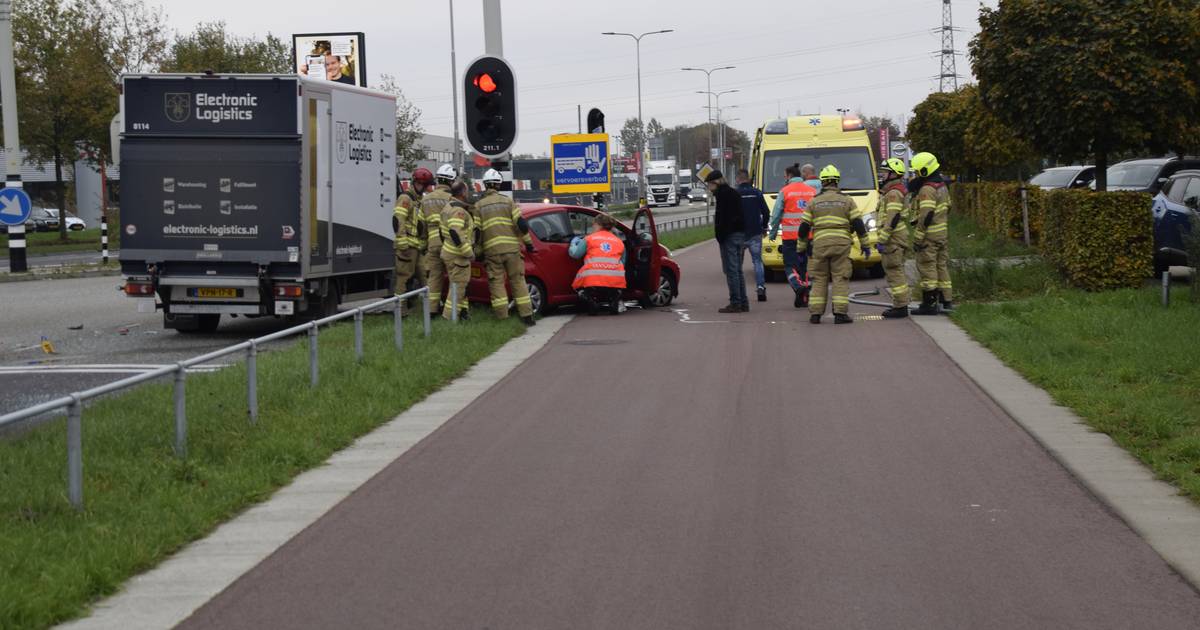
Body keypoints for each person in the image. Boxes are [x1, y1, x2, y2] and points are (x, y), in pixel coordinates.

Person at [802, 165, 869, 324]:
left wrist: (801, 247)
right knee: (840, 278)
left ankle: (815, 315)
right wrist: (865, 244)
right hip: (841, 245)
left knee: (819, 278)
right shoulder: (847, 200)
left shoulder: (814, 201)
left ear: (822, 182)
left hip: (820, 244)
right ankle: (840, 315)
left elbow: (804, 227)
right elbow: (858, 224)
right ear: (837, 181)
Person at [476, 169, 537, 325]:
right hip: (512, 250)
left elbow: (477, 232)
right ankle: (527, 317)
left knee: (496, 283)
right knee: (517, 281)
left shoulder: (478, 206)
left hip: (492, 252)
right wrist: (529, 244)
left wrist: (478, 252)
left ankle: (502, 318)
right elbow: (521, 225)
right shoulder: (508, 202)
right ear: (499, 184)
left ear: (485, 185)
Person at [768, 164, 819, 308]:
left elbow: (777, 214)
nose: (784, 179)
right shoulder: (811, 191)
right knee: (806, 266)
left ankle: (798, 287)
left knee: (790, 266)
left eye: (785, 176)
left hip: (790, 238)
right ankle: (806, 295)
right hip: (809, 236)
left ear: (789, 176)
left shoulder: (785, 191)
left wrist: (772, 233)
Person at [909, 152, 953, 315]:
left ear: (924, 171)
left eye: (917, 171)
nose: (915, 175)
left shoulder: (927, 189)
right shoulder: (942, 186)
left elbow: (926, 214)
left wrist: (918, 236)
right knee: (941, 266)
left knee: (927, 268)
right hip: (942, 233)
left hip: (929, 236)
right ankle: (946, 301)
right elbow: (948, 207)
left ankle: (929, 304)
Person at [708, 169, 748, 313]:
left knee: (731, 271)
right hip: (740, 234)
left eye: (709, 185)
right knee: (738, 270)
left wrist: (720, 235)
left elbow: (723, 218)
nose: (709, 188)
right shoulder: (734, 193)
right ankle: (743, 302)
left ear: (715, 182)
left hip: (729, 236)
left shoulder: (722, 195)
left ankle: (735, 302)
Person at [875, 158, 911, 318]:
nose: (882, 175)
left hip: (893, 238)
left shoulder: (894, 193)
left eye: (884, 172)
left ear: (893, 174)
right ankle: (900, 304)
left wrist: (882, 239)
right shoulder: (892, 191)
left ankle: (901, 306)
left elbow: (892, 218)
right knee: (895, 271)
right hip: (895, 236)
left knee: (894, 271)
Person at [570, 213, 626, 315]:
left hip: (593, 277)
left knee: (577, 285)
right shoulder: (619, 241)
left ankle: (591, 301)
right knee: (614, 287)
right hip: (616, 278)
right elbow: (623, 261)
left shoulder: (589, 239)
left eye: (593, 224)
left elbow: (576, 255)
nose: (592, 226)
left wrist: (573, 244)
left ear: (599, 225)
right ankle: (614, 299)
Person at [419, 164, 457, 314]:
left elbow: (420, 225)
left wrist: (424, 243)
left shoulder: (426, 199)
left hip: (432, 244)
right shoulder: (451, 198)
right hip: (449, 243)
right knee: (456, 278)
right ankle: (453, 312)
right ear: (451, 181)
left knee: (434, 278)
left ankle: (431, 311)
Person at [393, 168, 434, 307]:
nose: (425, 189)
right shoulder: (406, 198)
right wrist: (402, 242)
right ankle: (401, 311)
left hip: (417, 247)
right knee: (403, 278)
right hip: (407, 247)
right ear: (418, 183)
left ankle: (431, 309)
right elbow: (399, 220)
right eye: (425, 185)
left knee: (425, 277)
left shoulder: (419, 200)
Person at [439, 181, 476, 321]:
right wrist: (469, 253)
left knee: (458, 286)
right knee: (458, 288)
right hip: (458, 256)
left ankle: (463, 313)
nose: (468, 194)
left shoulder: (448, 207)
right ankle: (448, 318)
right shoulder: (458, 211)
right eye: (466, 191)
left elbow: (443, 232)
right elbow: (456, 232)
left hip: (449, 253)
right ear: (462, 193)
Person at [736, 169, 771, 302]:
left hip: (738, 233)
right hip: (755, 232)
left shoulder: (735, 193)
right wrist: (764, 226)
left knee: (738, 264)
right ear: (748, 178)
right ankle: (761, 287)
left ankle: (739, 292)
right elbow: (766, 212)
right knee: (757, 261)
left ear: (738, 179)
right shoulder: (757, 193)